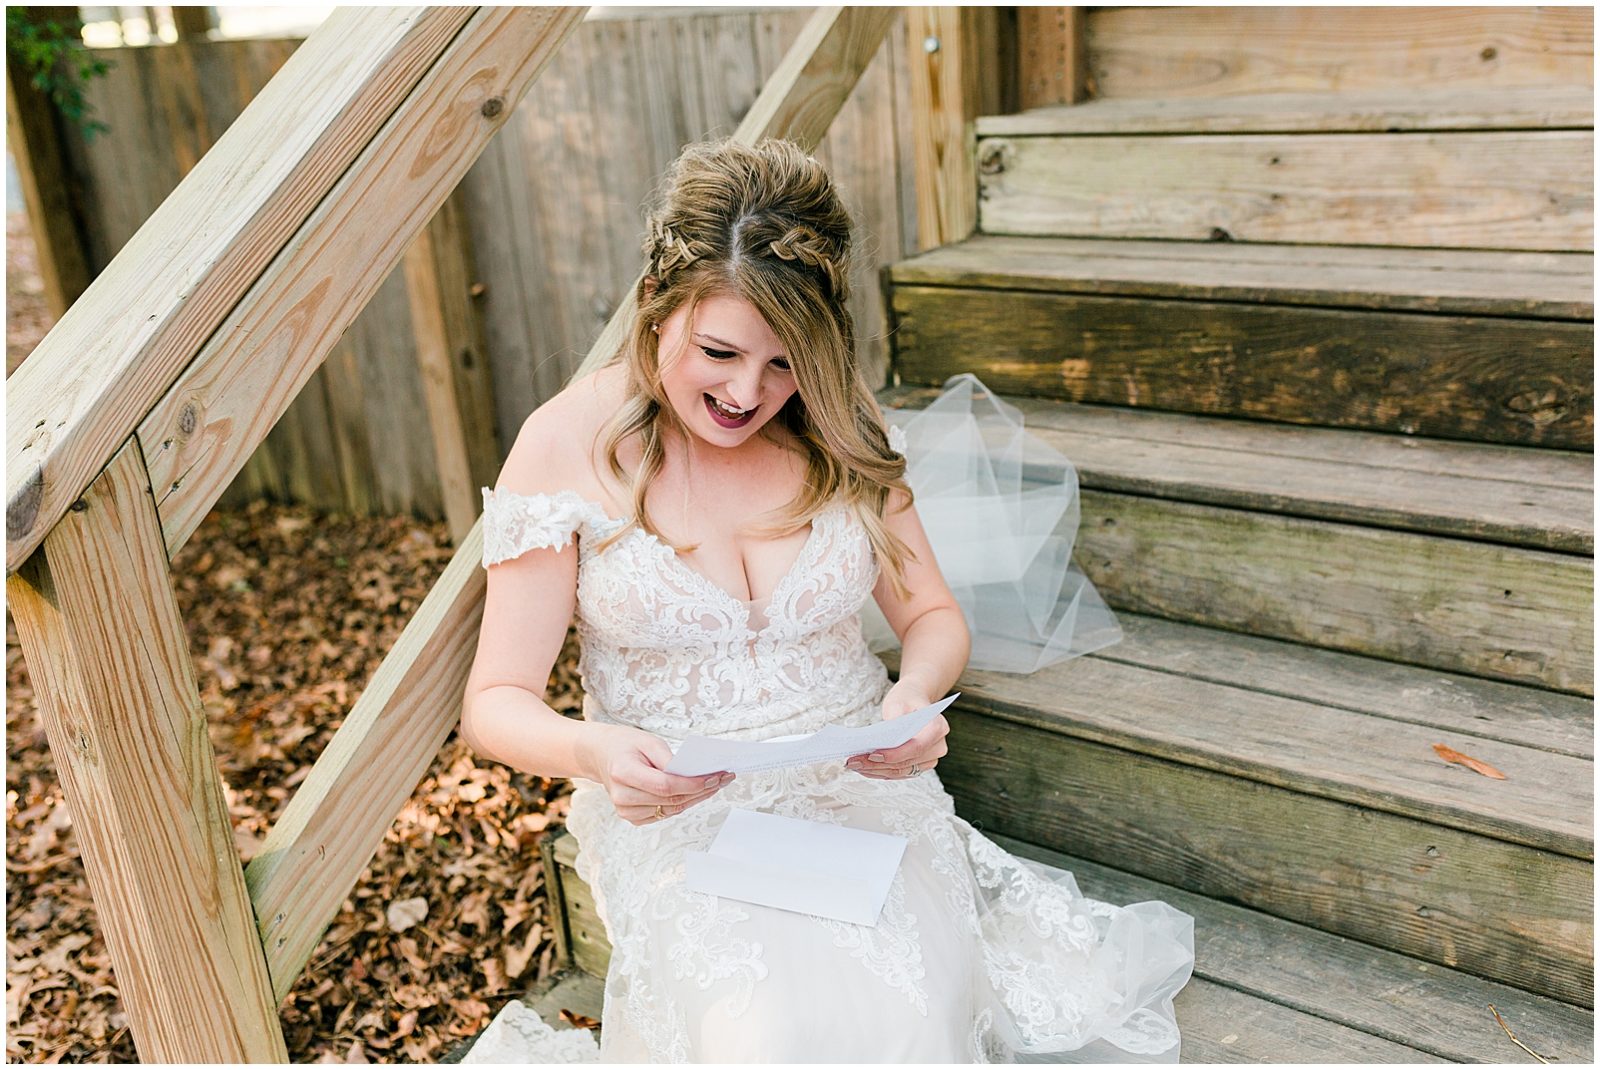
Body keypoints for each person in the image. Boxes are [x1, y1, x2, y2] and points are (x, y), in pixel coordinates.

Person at [459, 137, 1195, 1063]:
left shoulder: (843, 429)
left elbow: (931, 618)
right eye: (720, 352)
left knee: (902, 1010)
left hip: (858, 792)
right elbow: (494, 705)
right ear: (655, 309)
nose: (746, 394)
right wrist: (595, 751)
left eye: (784, 363)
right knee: (758, 1032)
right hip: (680, 812)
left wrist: (913, 697)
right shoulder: (562, 443)